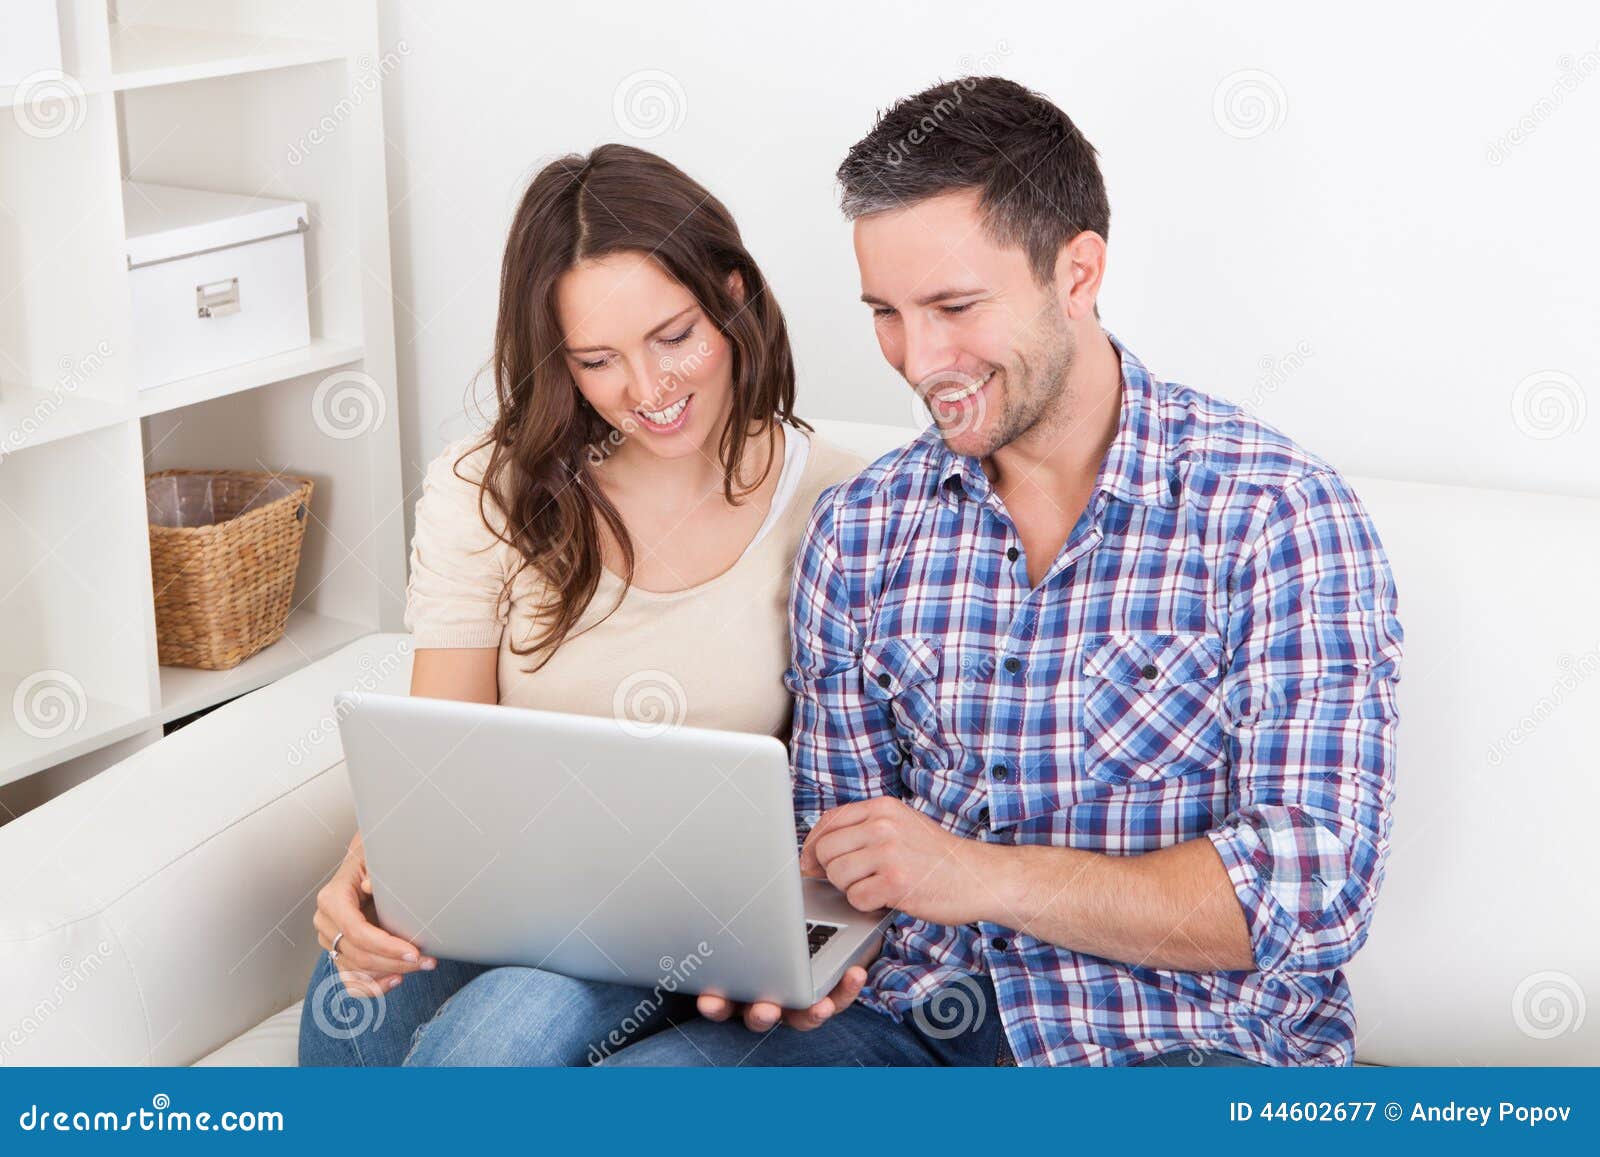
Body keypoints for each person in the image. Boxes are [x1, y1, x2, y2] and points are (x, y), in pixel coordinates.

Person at [603, 77, 1404, 1067]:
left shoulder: (1271, 514)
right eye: (887, 313)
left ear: (1076, 273)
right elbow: (832, 853)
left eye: (953, 306)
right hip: (900, 1031)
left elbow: (1308, 892)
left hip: (1174, 1044)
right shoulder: (861, 531)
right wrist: (801, 954)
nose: (920, 357)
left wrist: (975, 874)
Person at [297, 144, 864, 1066]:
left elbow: (842, 795)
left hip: (678, 923)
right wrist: (366, 872)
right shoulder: (490, 487)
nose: (649, 393)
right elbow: (439, 756)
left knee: (505, 1032)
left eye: (674, 336)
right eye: (599, 360)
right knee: (352, 1001)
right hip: (494, 894)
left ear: (732, 296)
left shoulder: (838, 504)